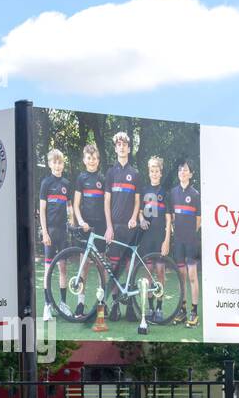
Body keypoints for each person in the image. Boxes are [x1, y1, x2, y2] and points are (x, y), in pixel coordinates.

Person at [103, 131, 140, 321]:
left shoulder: (135, 173)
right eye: (119, 144)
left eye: (125, 143)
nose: (122, 146)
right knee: (115, 267)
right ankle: (116, 305)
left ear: (129, 148)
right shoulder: (110, 172)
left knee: (130, 268)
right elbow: (107, 201)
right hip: (115, 228)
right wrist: (109, 226)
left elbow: (137, 201)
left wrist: (134, 217)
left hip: (130, 229)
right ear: (115, 148)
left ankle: (131, 308)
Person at [71, 142, 106, 318]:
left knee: (101, 266)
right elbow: (76, 205)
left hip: (101, 226)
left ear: (98, 161)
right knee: (83, 266)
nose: (92, 161)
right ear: (85, 160)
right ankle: (80, 304)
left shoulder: (102, 179)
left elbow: (107, 205)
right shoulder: (81, 178)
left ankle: (101, 303)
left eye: (94, 158)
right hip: (85, 226)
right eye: (89, 158)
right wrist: (81, 221)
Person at [37, 148, 72, 321]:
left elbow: (70, 207)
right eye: (54, 162)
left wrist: (72, 221)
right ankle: (47, 306)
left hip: (63, 232)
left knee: (63, 268)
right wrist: (44, 232)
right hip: (50, 231)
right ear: (50, 164)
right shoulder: (46, 183)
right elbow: (42, 210)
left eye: (60, 162)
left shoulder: (66, 183)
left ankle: (63, 304)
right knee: (48, 269)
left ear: (63, 164)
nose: (58, 165)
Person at [170, 158, 202, 328]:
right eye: (180, 169)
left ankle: (194, 311)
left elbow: (199, 221)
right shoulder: (173, 193)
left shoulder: (195, 194)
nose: (182, 172)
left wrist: (189, 234)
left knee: (191, 276)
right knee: (181, 276)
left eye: (186, 170)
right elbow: (173, 218)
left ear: (191, 174)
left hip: (191, 242)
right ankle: (182, 310)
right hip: (178, 242)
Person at [138, 156, 170, 323]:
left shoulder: (165, 192)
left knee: (160, 273)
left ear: (161, 172)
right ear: (149, 172)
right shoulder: (144, 190)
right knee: (148, 273)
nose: (154, 173)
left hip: (159, 238)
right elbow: (139, 211)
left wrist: (166, 239)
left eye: (157, 171)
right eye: (152, 171)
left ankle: (159, 307)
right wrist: (141, 219)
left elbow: (168, 219)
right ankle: (149, 307)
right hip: (147, 239)